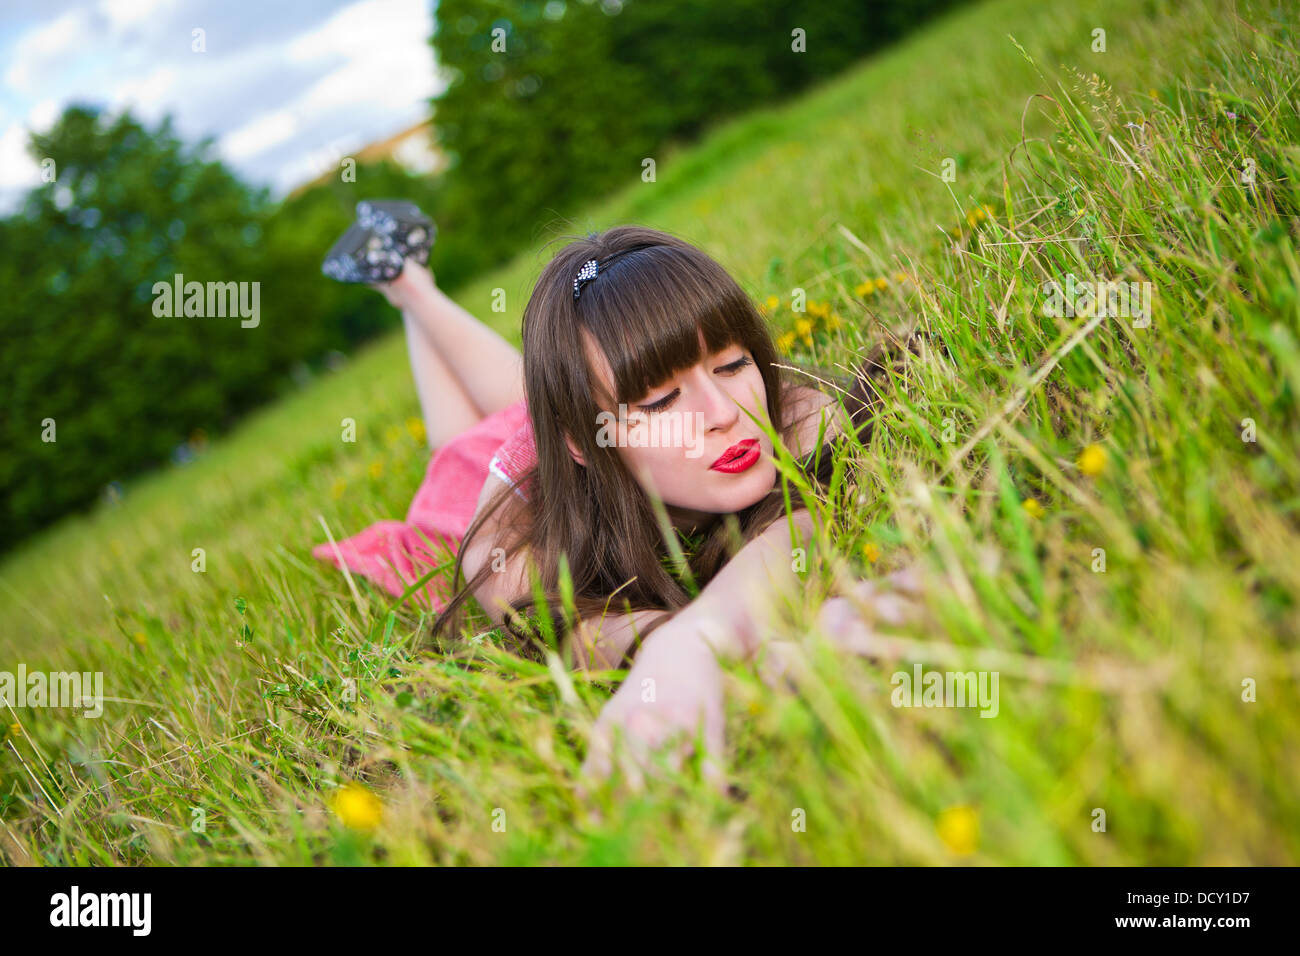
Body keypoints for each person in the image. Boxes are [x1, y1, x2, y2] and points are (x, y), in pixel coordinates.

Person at [316, 209, 906, 789]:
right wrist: (676, 647)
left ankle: (405, 275)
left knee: (533, 389)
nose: (725, 414)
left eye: (730, 364)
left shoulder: (791, 414)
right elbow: (586, 636)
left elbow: (796, 525)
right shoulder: (507, 548)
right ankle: (407, 285)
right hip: (493, 479)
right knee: (452, 443)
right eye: (659, 402)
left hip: (571, 425)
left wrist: (719, 634)